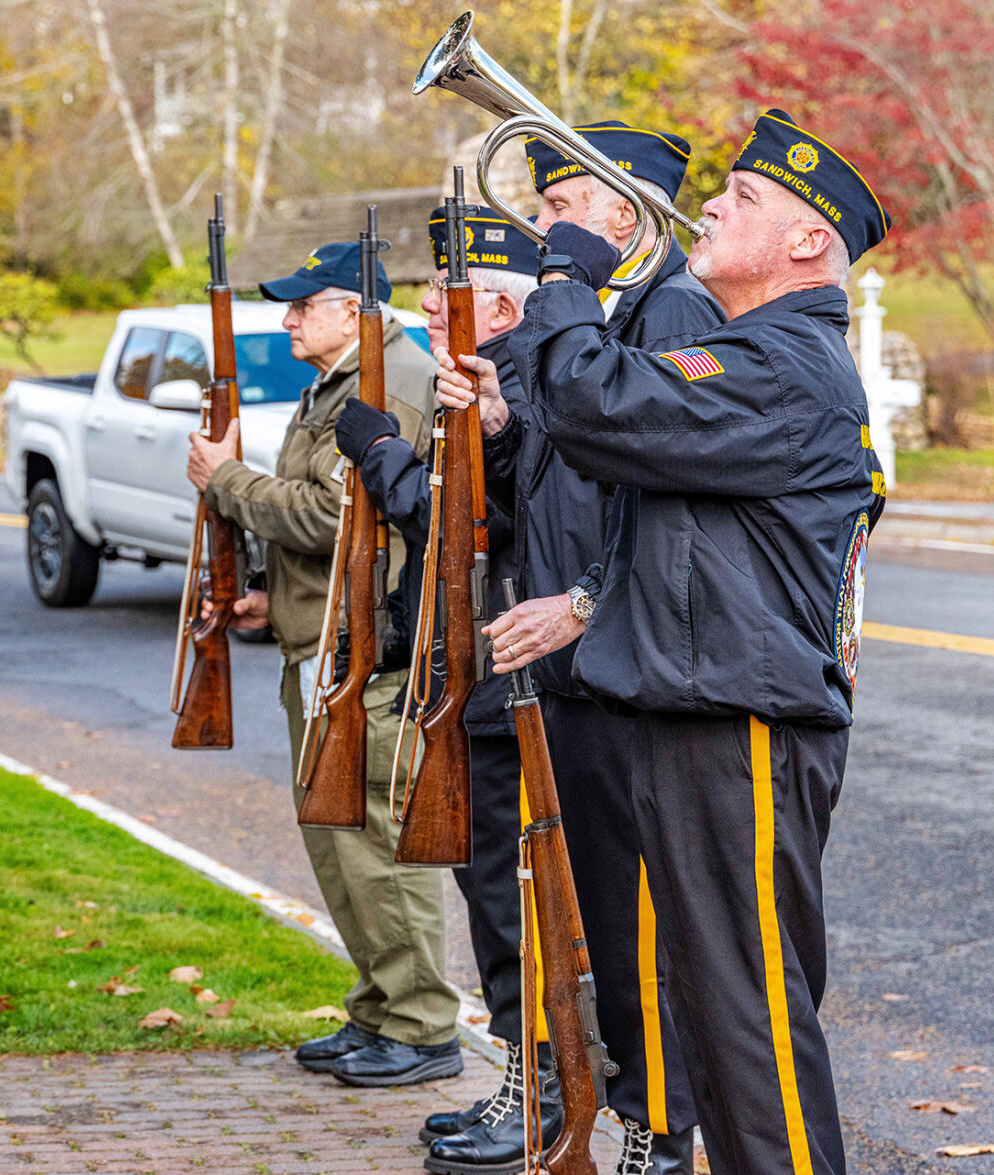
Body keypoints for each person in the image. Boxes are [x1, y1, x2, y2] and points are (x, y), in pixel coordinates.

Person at [442, 108, 891, 1175]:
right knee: (718, 1013)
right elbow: (607, 461)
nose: (711, 207)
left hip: (739, 722)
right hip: (699, 709)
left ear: (806, 242)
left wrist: (562, 275)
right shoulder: (751, 350)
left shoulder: (784, 361)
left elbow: (600, 403)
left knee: (750, 1020)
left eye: (742, 198)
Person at [434, 122, 722, 1174]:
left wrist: (587, 603)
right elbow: (556, 494)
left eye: (560, 207)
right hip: (574, 673)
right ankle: (614, 1115)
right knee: (591, 922)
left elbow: (675, 506)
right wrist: (500, 427)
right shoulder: (596, 313)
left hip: (623, 669)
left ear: (622, 213)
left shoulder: (672, 310)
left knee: (641, 937)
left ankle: (659, 1136)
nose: (541, 224)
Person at [185, 241, 462, 1086]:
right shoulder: (337, 383)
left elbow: (331, 513)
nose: (288, 320)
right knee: (336, 841)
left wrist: (224, 478)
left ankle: (421, 1026)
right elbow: (332, 534)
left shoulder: (392, 381)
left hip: (368, 650)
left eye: (304, 305)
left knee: (374, 840)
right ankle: (380, 1008)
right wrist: (271, 599)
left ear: (352, 310)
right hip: (321, 638)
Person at [331, 206, 549, 1175]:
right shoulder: (480, 380)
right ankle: (521, 1082)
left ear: (497, 308)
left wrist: (382, 456)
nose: (424, 303)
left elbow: (468, 519)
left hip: (504, 678)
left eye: (446, 290)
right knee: (492, 900)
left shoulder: (520, 384)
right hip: (467, 676)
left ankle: (539, 1094)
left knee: (512, 905)